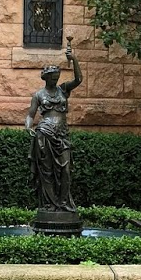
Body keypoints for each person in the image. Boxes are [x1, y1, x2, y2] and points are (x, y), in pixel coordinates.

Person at [25, 39, 82, 215]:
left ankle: (63, 202)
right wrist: (28, 127)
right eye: (52, 78)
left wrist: (74, 60)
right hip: (44, 134)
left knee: (65, 170)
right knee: (47, 171)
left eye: (57, 77)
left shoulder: (63, 90)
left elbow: (79, 79)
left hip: (62, 135)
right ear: (46, 78)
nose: (55, 79)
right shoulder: (38, 95)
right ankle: (49, 205)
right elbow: (30, 114)